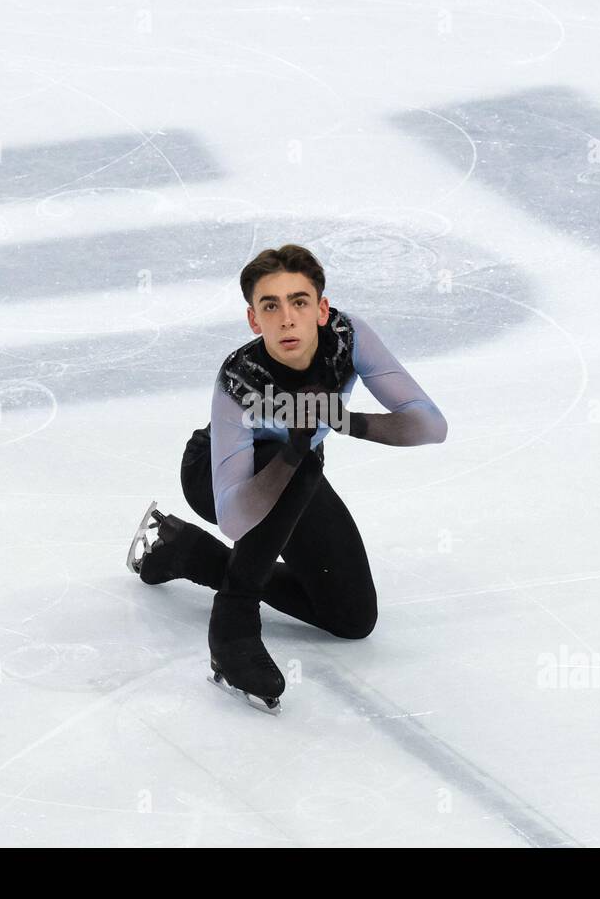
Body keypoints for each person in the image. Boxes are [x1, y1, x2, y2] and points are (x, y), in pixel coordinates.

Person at [126, 244, 447, 712]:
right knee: (299, 464)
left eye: (299, 302)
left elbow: (430, 426)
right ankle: (232, 630)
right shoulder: (240, 377)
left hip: (296, 480)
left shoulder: (347, 337)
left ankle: (183, 550)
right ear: (254, 320)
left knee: (352, 618)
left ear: (321, 308)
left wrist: (344, 420)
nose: (287, 319)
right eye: (270, 306)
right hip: (215, 478)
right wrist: (295, 450)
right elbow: (234, 519)